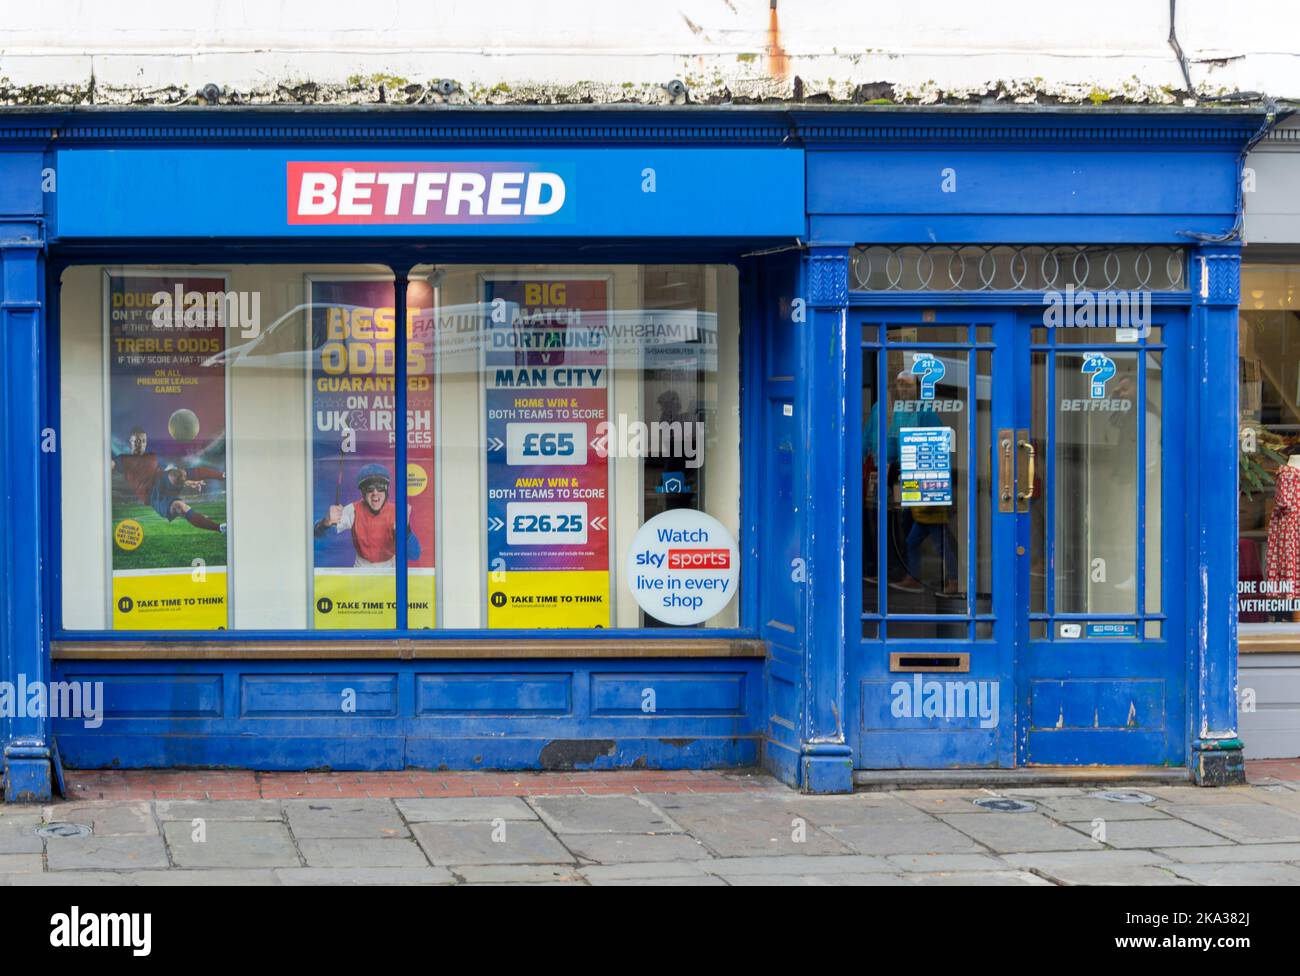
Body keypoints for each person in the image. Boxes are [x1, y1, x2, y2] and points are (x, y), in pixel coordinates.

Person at [111, 426, 226, 533]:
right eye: (136, 441)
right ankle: (220, 528)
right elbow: (110, 465)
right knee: (180, 507)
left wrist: (186, 481)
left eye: (143, 441)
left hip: (162, 480)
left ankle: (223, 476)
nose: (140, 444)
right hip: (154, 497)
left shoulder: (152, 457)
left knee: (178, 473)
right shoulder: (124, 460)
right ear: (130, 442)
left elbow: (168, 470)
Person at [315, 463, 421, 568]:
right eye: (369, 487)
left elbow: (414, 555)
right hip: (361, 569)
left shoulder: (397, 512)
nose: (375, 492)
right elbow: (319, 537)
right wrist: (326, 523)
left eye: (380, 486)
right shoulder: (352, 510)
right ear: (362, 492)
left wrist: (406, 529)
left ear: (386, 489)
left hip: (389, 569)